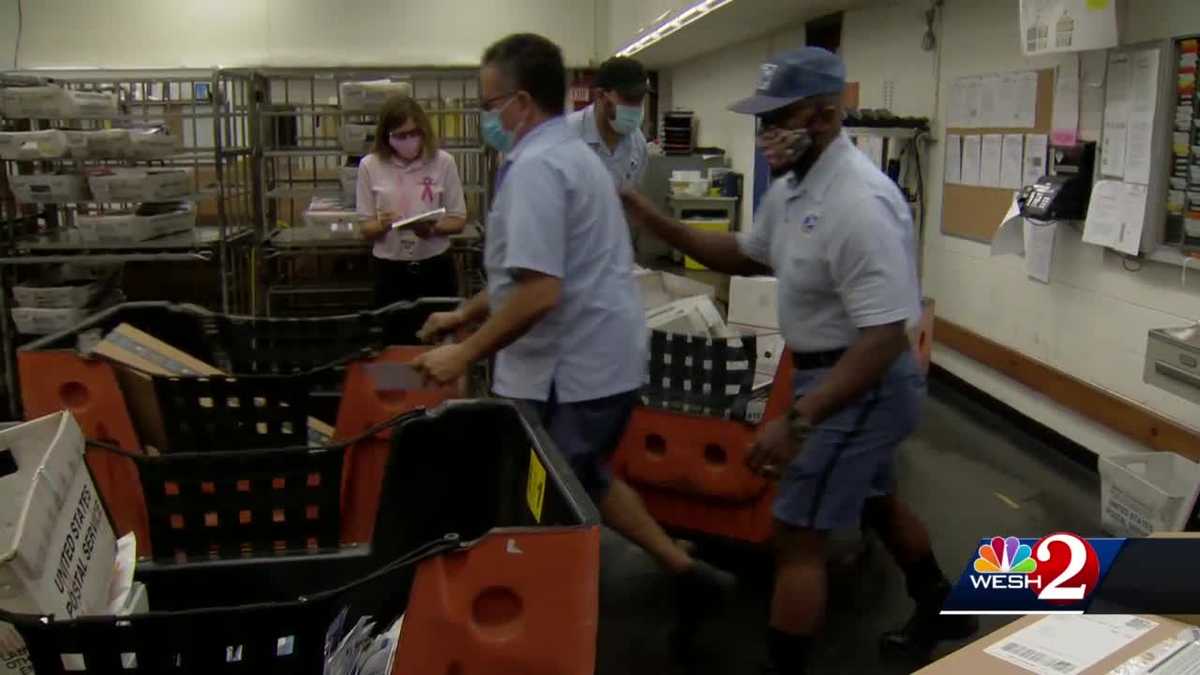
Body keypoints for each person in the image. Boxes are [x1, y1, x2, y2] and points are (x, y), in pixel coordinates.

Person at [620, 47, 978, 673]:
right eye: (764, 118)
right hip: (828, 373)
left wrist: (799, 418)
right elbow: (745, 253)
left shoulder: (860, 202)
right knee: (874, 500)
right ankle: (943, 605)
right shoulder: (792, 189)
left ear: (825, 116)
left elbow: (885, 335)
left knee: (797, 534)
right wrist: (654, 220)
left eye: (780, 117)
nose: (767, 132)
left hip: (861, 382)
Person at [412, 30, 732, 637]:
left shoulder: (539, 168)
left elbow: (539, 291)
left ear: (520, 102)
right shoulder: (568, 156)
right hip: (593, 359)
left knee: (545, 496)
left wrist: (464, 353)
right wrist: (464, 315)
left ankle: (541, 628)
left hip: (578, 367)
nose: (484, 118)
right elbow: (528, 269)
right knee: (582, 476)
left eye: (487, 105)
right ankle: (685, 572)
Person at [355, 95, 467, 307]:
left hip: (435, 266)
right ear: (387, 136)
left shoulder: (443, 162)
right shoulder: (370, 166)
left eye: (414, 133)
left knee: (440, 324)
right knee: (394, 325)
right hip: (390, 269)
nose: (409, 140)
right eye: (400, 135)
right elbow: (365, 227)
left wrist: (432, 229)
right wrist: (382, 225)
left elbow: (458, 220)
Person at [566, 56, 650, 189]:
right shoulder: (565, 136)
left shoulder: (638, 144)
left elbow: (633, 192)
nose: (635, 107)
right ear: (600, 95)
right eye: (628, 98)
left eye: (639, 99)